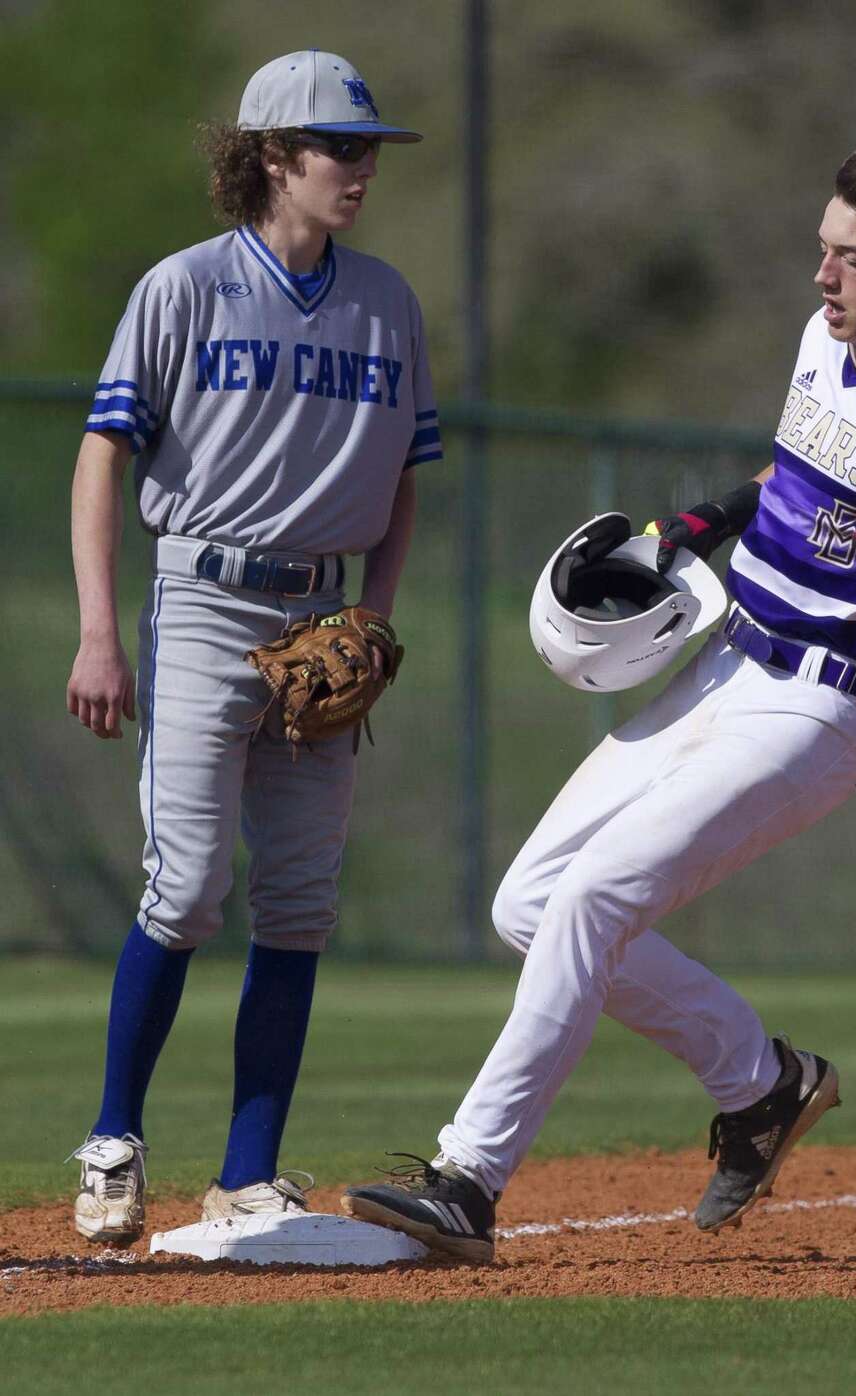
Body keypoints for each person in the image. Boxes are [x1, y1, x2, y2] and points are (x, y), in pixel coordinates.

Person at [342, 133, 856, 1264]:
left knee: (599, 897)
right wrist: (691, 525)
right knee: (530, 906)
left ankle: (470, 1176)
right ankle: (763, 1085)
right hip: (723, 662)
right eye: (822, 249)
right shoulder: (825, 339)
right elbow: (795, 471)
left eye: (854, 258)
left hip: (820, 706)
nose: (824, 277)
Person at [65, 49, 441, 1245]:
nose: (361, 168)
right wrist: (96, 631)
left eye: (370, 147)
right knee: (184, 886)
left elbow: (406, 482)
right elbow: (103, 456)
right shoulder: (181, 289)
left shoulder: (387, 303)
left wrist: (375, 612)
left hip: (321, 617)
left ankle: (247, 1171)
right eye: (340, 147)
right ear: (272, 155)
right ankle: (115, 1140)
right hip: (204, 599)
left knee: (298, 903)